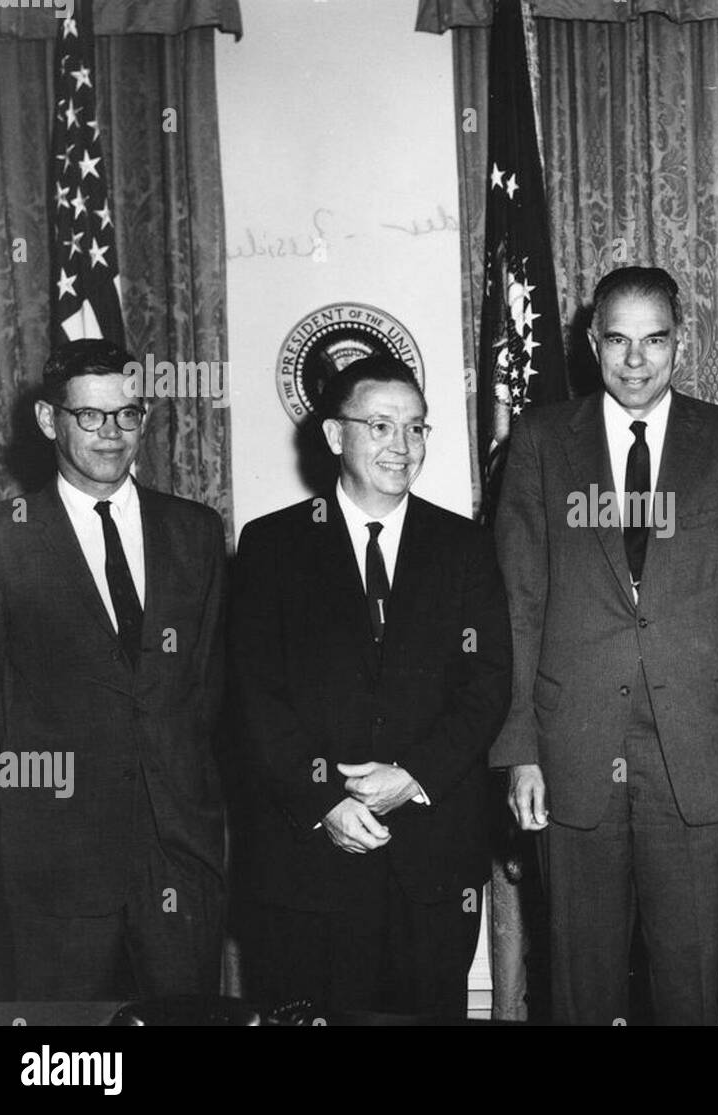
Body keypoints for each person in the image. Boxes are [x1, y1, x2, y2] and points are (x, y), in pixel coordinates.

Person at [493, 265, 718, 1025]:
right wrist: (520, 746)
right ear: (591, 343)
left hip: (696, 750)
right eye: (617, 340)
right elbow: (516, 607)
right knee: (579, 986)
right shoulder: (539, 441)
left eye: (654, 340)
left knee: (688, 985)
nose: (635, 360)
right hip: (572, 747)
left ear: (679, 343)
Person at [229, 355, 511, 1019]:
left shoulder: (465, 546)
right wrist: (325, 800)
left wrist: (413, 775)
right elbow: (252, 695)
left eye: (416, 428)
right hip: (310, 862)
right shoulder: (272, 547)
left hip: (432, 864)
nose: (402, 446)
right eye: (381, 425)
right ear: (334, 436)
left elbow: (488, 682)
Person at [0, 339, 227, 1000]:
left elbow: (208, 693)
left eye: (127, 414)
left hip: (180, 859)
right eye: (90, 415)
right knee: (67, 1062)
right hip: (56, 867)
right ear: (50, 420)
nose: (111, 433)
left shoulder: (196, 532)